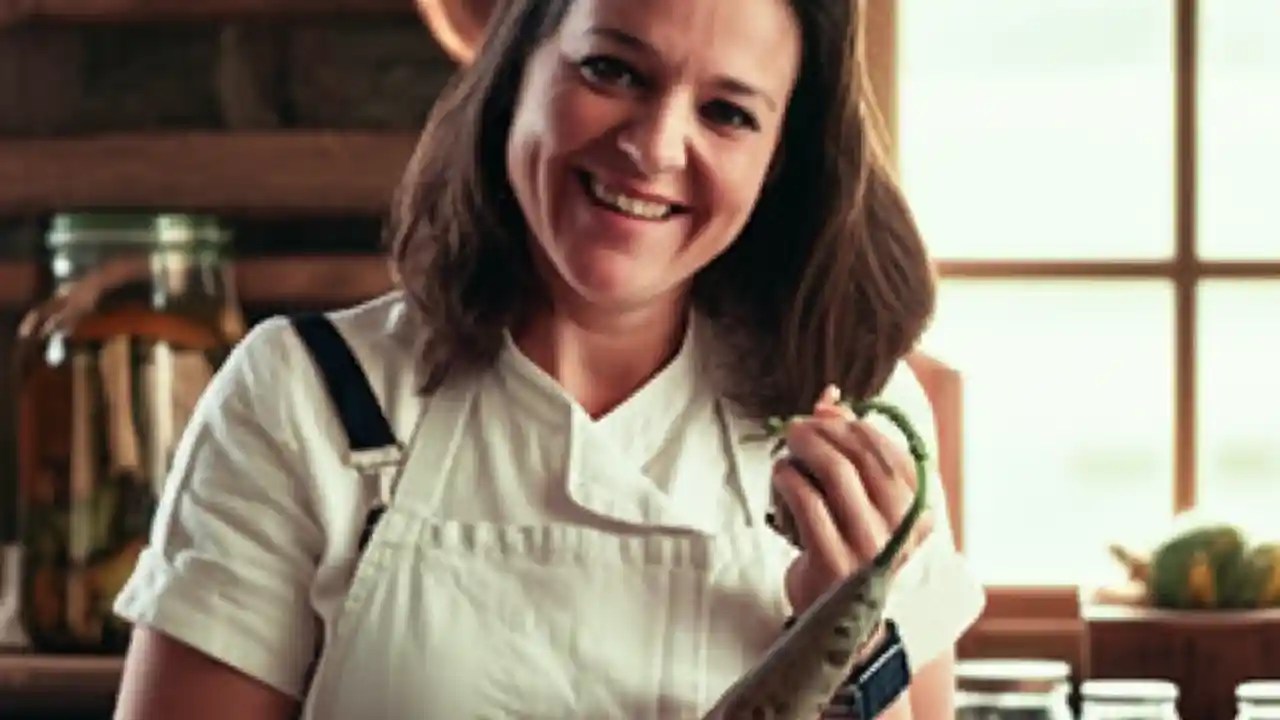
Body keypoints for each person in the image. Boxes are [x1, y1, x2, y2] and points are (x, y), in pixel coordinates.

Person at [111, 0, 985, 717]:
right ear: (516, 70)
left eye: (728, 112)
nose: (653, 147)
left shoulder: (859, 420)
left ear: (778, 161)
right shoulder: (305, 398)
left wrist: (856, 639)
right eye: (612, 70)